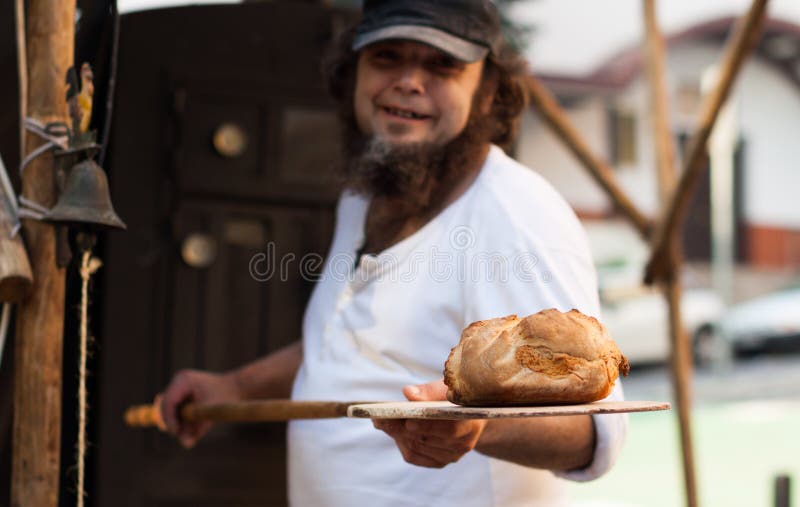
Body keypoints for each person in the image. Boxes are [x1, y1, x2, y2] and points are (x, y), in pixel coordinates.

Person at [159, 1, 627, 505]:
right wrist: (235, 386)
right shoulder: (364, 196)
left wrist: (475, 427)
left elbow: (594, 429)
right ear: (352, 71)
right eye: (387, 57)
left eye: (441, 65)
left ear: (488, 90)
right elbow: (347, 341)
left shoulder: (518, 216)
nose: (408, 81)